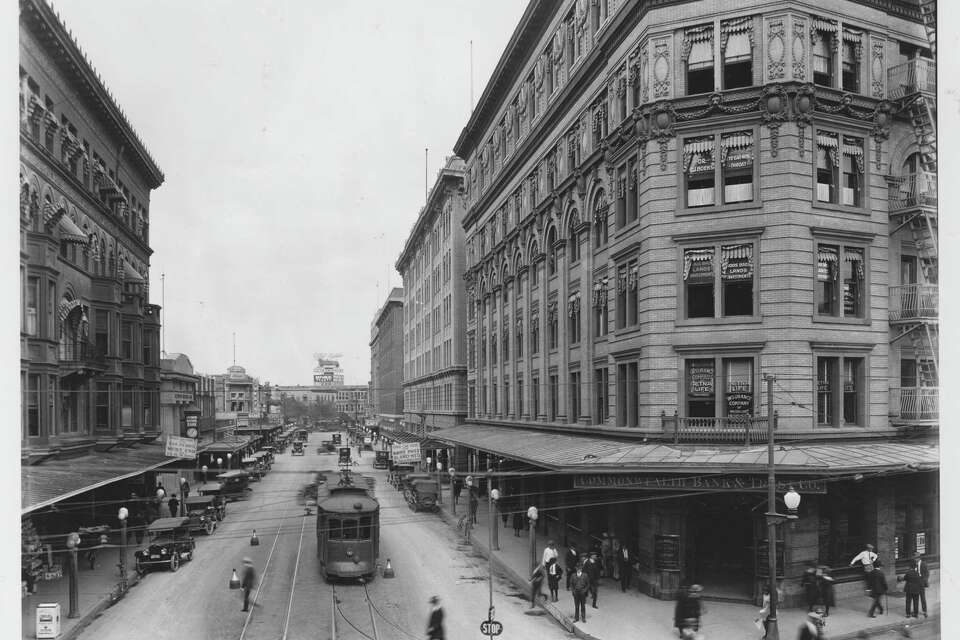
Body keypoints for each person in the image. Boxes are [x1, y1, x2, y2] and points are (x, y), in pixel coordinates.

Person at [912, 553, 930, 617]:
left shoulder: (924, 564)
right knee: (915, 598)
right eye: (914, 558)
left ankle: (925, 611)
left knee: (923, 598)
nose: (915, 559)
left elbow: (927, 574)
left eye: (916, 558)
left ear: (919, 558)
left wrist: (924, 581)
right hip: (915, 583)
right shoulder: (913, 564)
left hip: (921, 583)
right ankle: (915, 612)